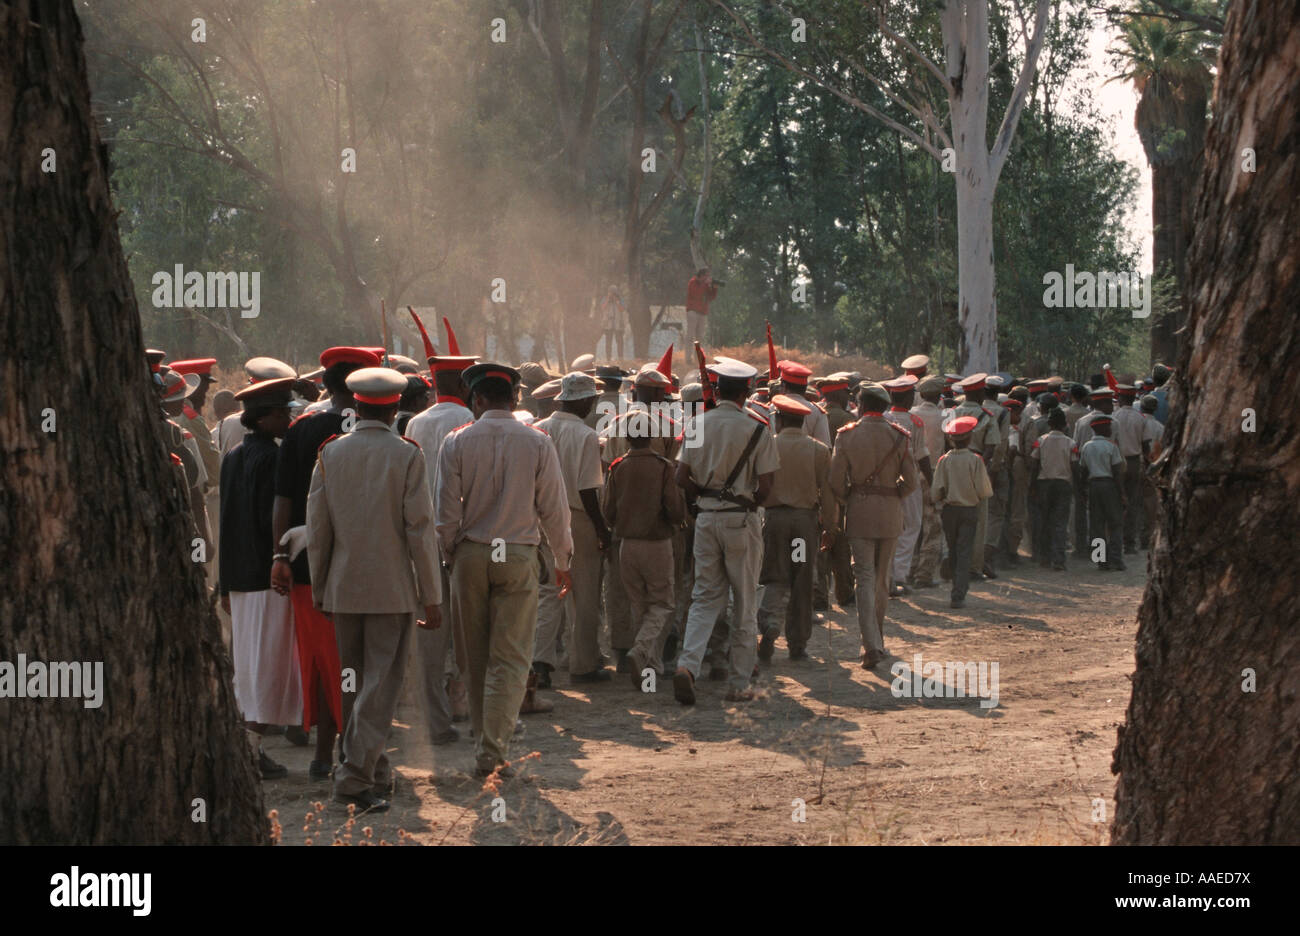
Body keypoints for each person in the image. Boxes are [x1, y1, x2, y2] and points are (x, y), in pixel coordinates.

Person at [306, 367, 443, 811]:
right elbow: (420, 531)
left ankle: (373, 768)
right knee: (380, 687)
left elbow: (318, 529)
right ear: (393, 409)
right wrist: (432, 596)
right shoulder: (406, 455)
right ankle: (354, 779)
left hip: (345, 588)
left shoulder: (331, 453)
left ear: (357, 405)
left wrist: (321, 588)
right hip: (392, 591)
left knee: (355, 685)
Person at [436, 363, 573, 777]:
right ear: (514, 399)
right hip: (516, 554)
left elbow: (444, 514)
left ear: (476, 400)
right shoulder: (537, 442)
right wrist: (563, 560)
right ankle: (492, 752)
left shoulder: (455, 441)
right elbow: (554, 509)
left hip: (472, 555)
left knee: (473, 658)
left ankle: (486, 745)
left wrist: (450, 556)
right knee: (510, 659)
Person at [270, 346, 380, 780]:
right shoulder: (377, 430)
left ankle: (322, 754)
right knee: (350, 664)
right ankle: (349, 756)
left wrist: (279, 555)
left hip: (303, 562)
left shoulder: (302, 429)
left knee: (316, 658)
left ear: (327, 384)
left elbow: (282, 498)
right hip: (358, 564)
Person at [674, 359, 779, 704]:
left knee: (704, 599)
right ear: (747, 391)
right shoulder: (759, 428)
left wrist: (700, 500)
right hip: (741, 519)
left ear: (717, 390)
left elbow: (680, 478)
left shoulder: (697, 424)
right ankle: (738, 684)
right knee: (745, 603)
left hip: (705, 518)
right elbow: (766, 489)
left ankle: (688, 666)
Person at [218, 376, 303, 780]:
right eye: (282, 412)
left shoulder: (234, 455)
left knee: (251, 668)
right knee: (268, 668)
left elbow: (226, 521)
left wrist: (222, 580)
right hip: (266, 575)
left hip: (240, 576)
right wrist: (280, 558)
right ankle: (250, 750)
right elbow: (271, 518)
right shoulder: (272, 458)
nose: (288, 417)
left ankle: (246, 746)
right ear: (263, 418)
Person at [403, 352, 480, 741]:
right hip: (463, 538)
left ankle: (436, 722)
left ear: (433, 384)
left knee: (430, 635)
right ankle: (475, 712)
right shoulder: (469, 421)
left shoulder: (416, 421)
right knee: (470, 634)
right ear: (465, 385)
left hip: (422, 539)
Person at [831, 381, 917, 667]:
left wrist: (850, 498)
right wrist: (893, 495)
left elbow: (834, 481)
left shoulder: (846, 436)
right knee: (881, 579)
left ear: (863, 405)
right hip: (891, 512)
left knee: (864, 578)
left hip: (859, 511)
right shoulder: (899, 435)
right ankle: (877, 639)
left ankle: (871, 645)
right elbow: (912, 482)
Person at [601, 410, 687, 683]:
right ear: (653, 436)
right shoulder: (663, 467)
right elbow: (675, 510)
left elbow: (608, 510)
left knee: (639, 605)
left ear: (626, 437)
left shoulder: (617, 467)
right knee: (662, 604)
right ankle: (642, 651)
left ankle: (649, 667)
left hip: (627, 545)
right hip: (657, 543)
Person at [536, 371, 611, 684]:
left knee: (548, 593)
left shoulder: (538, 430)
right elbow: (587, 489)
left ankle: (539, 664)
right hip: (577, 518)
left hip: (541, 519)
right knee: (584, 594)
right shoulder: (586, 435)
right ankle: (583, 664)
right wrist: (601, 528)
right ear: (584, 401)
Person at [756, 394, 835, 663]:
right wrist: (831, 527)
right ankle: (798, 642)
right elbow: (827, 494)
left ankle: (769, 623)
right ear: (803, 422)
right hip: (804, 525)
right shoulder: (818, 450)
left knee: (775, 575)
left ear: (778, 419)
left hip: (776, 522)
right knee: (801, 578)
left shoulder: (768, 445)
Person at [931, 415, 992, 609]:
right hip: (969, 510)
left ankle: (954, 582)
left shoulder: (944, 460)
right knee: (965, 550)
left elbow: (936, 491)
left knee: (953, 548)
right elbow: (984, 490)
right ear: (969, 438)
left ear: (951, 439)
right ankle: (958, 594)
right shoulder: (976, 460)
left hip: (950, 510)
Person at [946, 373, 1001, 579]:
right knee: (978, 520)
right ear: (979, 392)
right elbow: (991, 446)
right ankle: (974, 568)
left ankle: (953, 563)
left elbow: (945, 442)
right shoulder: (987, 416)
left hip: (952, 465)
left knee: (952, 517)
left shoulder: (951, 413)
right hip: (976, 466)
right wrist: (979, 464)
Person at [882, 375, 930, 595]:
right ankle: (899, 576)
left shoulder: (882, 418)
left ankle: (887, 575)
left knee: (887, 528)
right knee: (910, 527)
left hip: (884, 482)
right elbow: (922, 456)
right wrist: (931, 480)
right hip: (909, 481)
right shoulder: (914, 422)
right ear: (909, 397)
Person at [909, 375, 946, 589]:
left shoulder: (912, 415)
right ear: (939, 395)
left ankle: (908, 569)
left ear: (920, 395)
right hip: (933, 472)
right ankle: (924, 574)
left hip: (911, 473)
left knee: (912, 524)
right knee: (932, 526)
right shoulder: (944, 417)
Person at [1079, 415, 1127, 571]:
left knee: (1097, 524)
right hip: (1109, 485)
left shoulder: (1086, 446)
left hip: (1093, 486)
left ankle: (1101, 561)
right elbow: (1117, 472)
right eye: (1108, 427)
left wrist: (1083, 491)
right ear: (1101, 428)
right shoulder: (1111, 446)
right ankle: (1116, 560)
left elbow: (1083, 471)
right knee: (1115, 523)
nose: (1110, 429)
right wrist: (1122, 494)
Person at [1029, 408, 1073, 571]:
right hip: (1063, 484)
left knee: (1044, 521)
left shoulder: (1041, 441)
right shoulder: (1070, 442)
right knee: (1060, 522)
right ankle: (1059, 559)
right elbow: (1074, 464)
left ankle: (1044, 557)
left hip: (1044, 484)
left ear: (1049, 424)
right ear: (1064, 425)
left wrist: (1032, 485)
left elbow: (1034, 464)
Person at [1110, 385, 1146, 554]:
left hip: (1117, 461)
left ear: (1120, 398)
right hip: (1134, 463)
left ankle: (1115, 541)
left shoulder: (1113, 416)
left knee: (1116, 501)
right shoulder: (1140, 418)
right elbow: (1145, 444)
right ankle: (1129, 543)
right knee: (1132, 502)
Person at [774, 360, 831, 445]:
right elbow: (825, 446)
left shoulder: (772, 408)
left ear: (784, 387)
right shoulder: (817, 412)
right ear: (805, 388)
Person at [685, 267, 719, 348]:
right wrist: (705, 284)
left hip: (703, 312)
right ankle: (688, 360)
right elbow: (697, 294)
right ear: (701, 275)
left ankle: (697, 359)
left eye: (708, 276)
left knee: (700, 338)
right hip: (692, 311)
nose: (708, 278)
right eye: (706, 276)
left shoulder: (706, 285)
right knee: (690, 336)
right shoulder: (692, 282)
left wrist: (714, 288)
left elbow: (711, 298)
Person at [598, 285, 626, 361]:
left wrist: (617, 301)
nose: (612, 294)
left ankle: (621, 358)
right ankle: (608, 358)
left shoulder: (620, 299)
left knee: (620, 342)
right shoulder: (605, 299)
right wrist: (608, 299)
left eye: (614, 292)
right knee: (608, 342)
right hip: (608, 324)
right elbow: (602, 307)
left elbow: (622, 309)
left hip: (618, 324)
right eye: (610, 292)